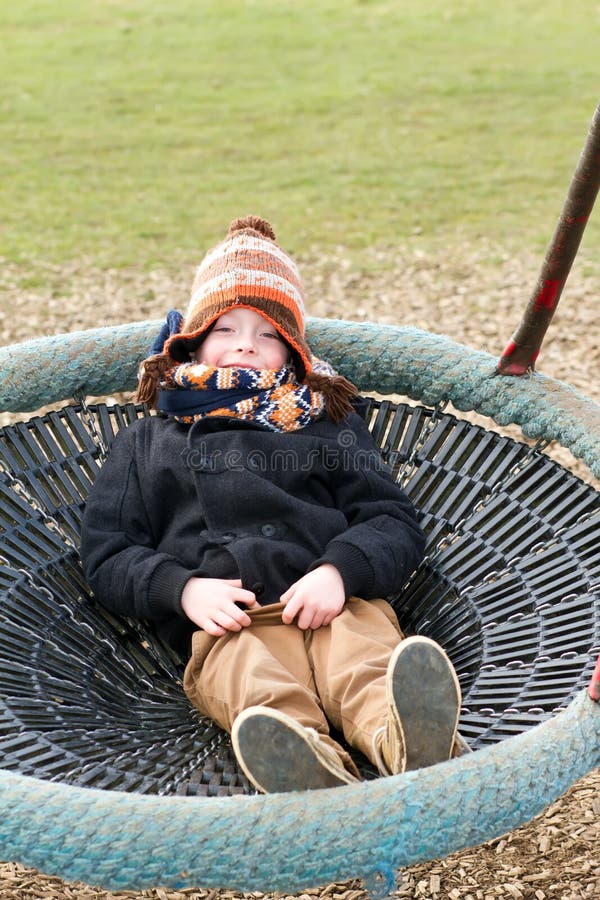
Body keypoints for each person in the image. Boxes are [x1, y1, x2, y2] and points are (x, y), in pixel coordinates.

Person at [80, 215, 462, 792]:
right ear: (192, 341)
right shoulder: (148, 441)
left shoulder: (323, 420)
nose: (244, 345)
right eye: (225, 328)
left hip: (332, 601)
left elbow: (390, 519)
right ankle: (303, 759)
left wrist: (341, 570)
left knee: (364, 662)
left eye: (267, 334)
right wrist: (181, 589)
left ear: (292, 350)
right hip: (229, 622)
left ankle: (405, 738)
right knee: (254, 683)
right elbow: (109, 553)